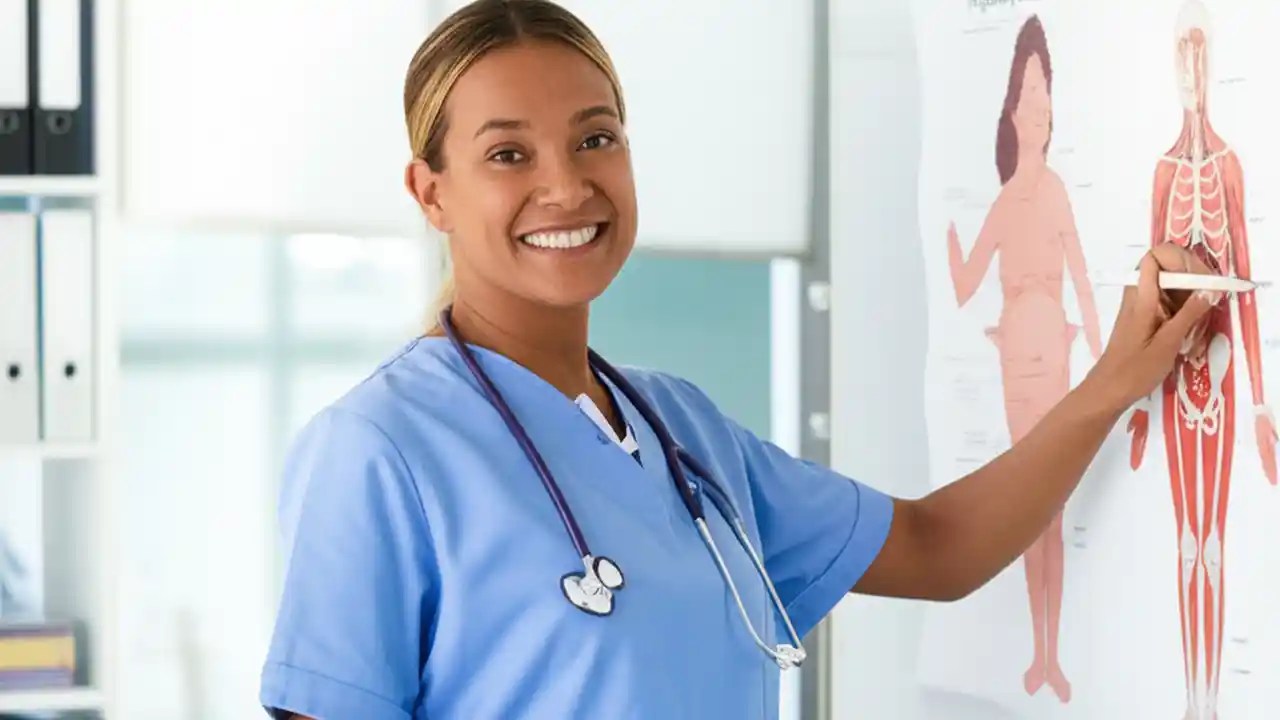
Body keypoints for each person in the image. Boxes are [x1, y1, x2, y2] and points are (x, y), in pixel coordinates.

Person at [257, 1, 1218, 718]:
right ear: (431, 192)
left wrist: (1114, 382)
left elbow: (938, 548)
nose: (567, 184)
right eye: (508, 155)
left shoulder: (683, 432)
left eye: (597, 138)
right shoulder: (379, 449)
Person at [945, 14, 1101, 704]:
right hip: (1017, 364)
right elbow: (965, 283)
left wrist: (1099, 350)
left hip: (1055, 356)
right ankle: (1039, 653)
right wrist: (944, 233)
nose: (1035, 113)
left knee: (1055, 508)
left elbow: (1084, 277)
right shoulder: (1007, 199)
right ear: (1011, 115)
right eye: (1026, 101)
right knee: (1031, 502)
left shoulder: (1058, 193)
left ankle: (1049, 653)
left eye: (1044, 102)